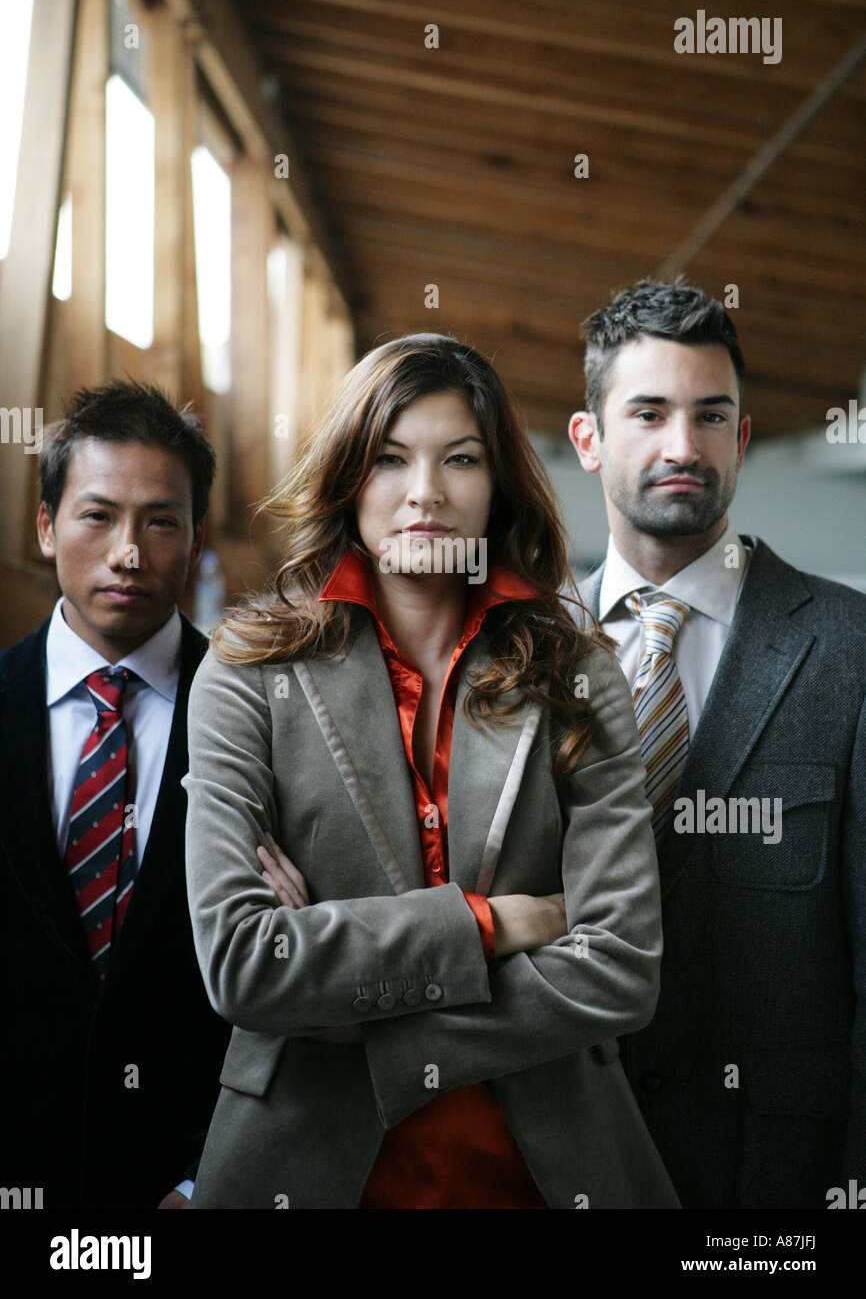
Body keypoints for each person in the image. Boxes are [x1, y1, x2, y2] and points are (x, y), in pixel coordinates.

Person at [183, 333, 680, 1209]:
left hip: (545, 1169)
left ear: (497, 484)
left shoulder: (577, 671)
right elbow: (245, 965)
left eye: (460, 459)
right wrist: (491, 926)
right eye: (389, 459)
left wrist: (356, 1011)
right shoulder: (247, 672)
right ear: (348, 476)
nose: (426, 495)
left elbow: (621, 965)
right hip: (308, 1167)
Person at [568, 279, 866, 1209]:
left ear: (741, 440)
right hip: (567, 1158)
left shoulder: (850, 649)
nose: (680, 447)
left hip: (775, 1180)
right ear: (590, 440)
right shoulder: (517, 654)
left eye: (710, 417)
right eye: (648, 413)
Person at [0, 381, 231, 1208]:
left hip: (188, 1181)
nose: (128, 553)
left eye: (160, 521)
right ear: (45, 524)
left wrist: (213, 1177)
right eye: (97, 516)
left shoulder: (266, 716)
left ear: (196, 539)